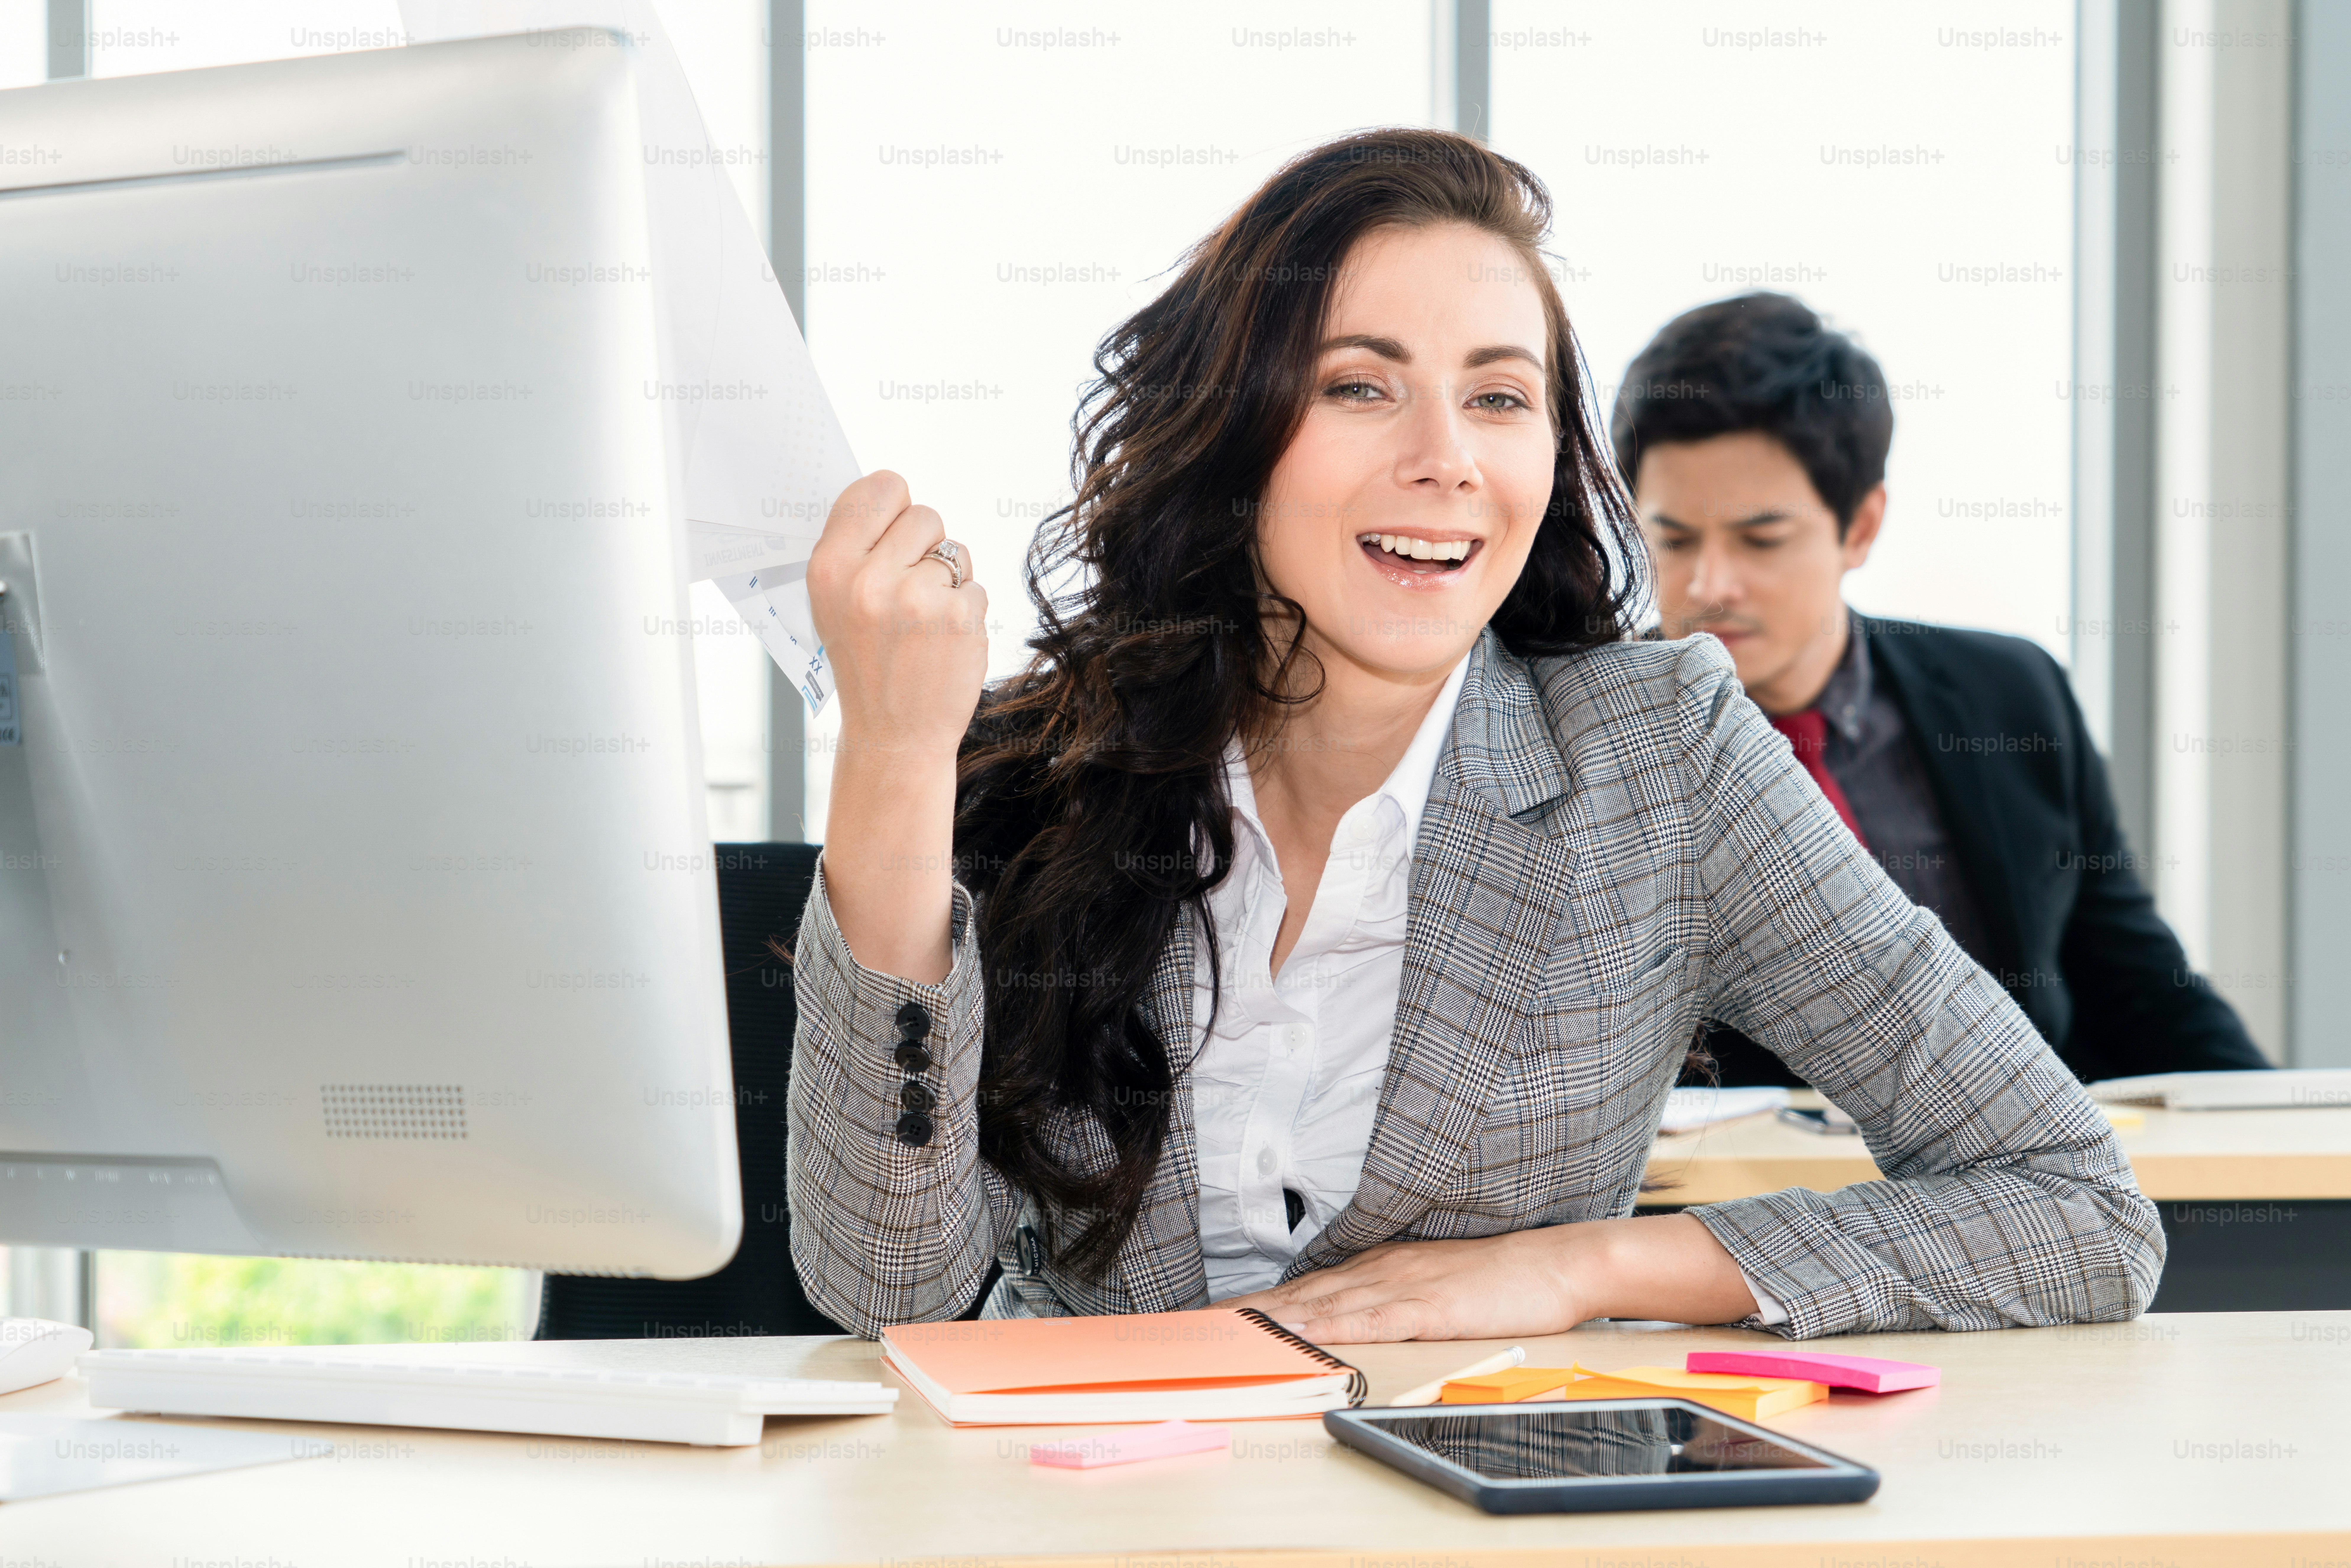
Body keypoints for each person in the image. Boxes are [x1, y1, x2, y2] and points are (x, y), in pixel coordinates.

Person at [786, 129, 2161, 1345]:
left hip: (1471, 1496)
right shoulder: (1039, 759)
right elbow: (884, 1288)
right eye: (1359, 386)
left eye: (1498, 397)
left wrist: (1577, 1269)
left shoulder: (1662, 755)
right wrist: (895, 759)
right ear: (1231, 435)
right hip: (1068, 1500)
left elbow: (2073, 1206)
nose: (1446, 457)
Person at [1613, 293, 2269, 1089]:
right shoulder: (1587, 741)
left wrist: (2291, 1132)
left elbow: (2139, 989)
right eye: (1674, 540)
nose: (1710, 585)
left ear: (1861, 528)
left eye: (1762, 539)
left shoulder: (2010, 698)